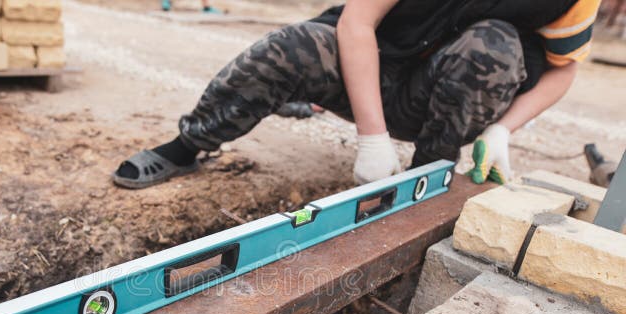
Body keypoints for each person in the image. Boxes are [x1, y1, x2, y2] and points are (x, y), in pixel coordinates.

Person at [115, 0, 601, 189]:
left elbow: (563, 70)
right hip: (369, 70)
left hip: (450, 97)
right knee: (290, 48)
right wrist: (372, 136)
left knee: (493, 42)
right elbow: (357, 22)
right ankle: (187, 148)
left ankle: (425, 180)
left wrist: (501, 130)